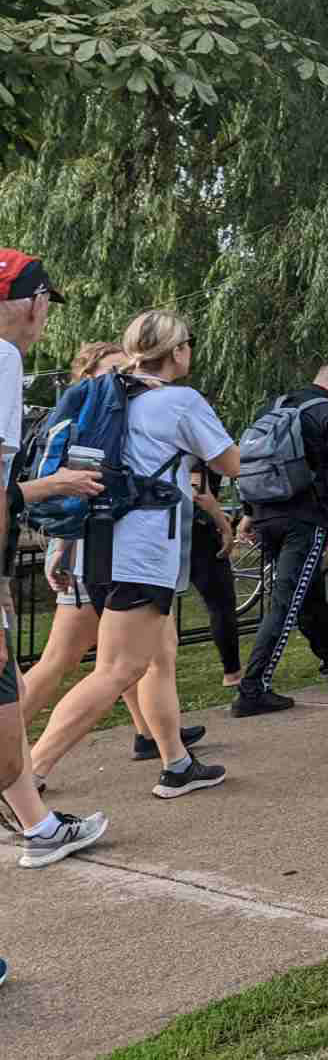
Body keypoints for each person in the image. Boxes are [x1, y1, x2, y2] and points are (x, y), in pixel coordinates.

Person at [32, 309, 236, 800]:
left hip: (98, 544)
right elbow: (230, 462)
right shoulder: (180, 401)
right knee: (118, 669)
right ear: (177, 351)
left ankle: (177, 764)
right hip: (143, 551)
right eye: (188, 344)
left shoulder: (107, 395)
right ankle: (26, 773)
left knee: (154, 658)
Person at [15, 342, 206, 764]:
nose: (127, 376)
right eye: (116, 369)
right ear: (90, 377)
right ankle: (23, 759)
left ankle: (154, 737)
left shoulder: (112, 418)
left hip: (94, 552)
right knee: (103, 662)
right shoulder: (97, 420)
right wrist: (63, 549)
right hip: (95, 553)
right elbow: (81, 494)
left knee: (134, 658)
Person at [0, 251, 108, 868]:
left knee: (11, 692)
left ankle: (39, 827)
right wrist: (54, 485)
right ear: (35, 303)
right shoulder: (4, 358)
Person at [232, 358, 328, 716]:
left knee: (307, 591)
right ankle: (252, 688)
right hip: (305, 517)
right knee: (286, 602)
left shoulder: (276, 406)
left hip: (267, 513)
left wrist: (249, 513)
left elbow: (254, 460)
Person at [188, 464, 243, 690]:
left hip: (162, 528)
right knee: (221, 603)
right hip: (197, 531)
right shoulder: (196, 447)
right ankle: (232, 672)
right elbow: (197, 489)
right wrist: (221, 522)